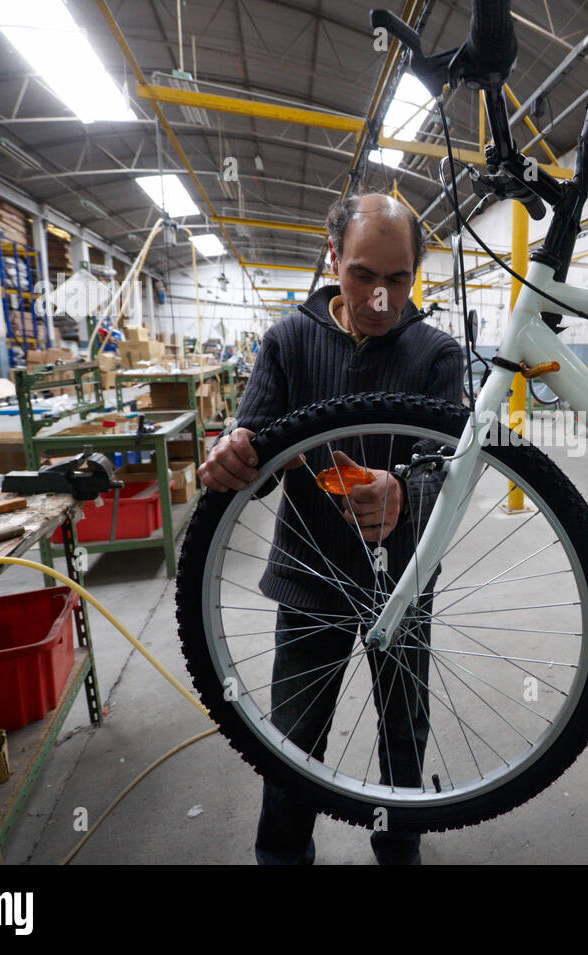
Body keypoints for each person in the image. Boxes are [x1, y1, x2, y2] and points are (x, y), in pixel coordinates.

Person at [198, 193, 465, 865]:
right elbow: (253, 448)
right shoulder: (288, 341)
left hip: (401, 576)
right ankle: (282, 856)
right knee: (294, 732)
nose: (380, 298)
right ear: (333, 259)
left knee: (404, 727)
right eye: (364, 275)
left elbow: (450, 469)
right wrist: (233, 455)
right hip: (307, 571)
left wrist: (405, 489)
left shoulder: (437, 355)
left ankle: (398, 845)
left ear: (416, 272)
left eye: (398, 279)